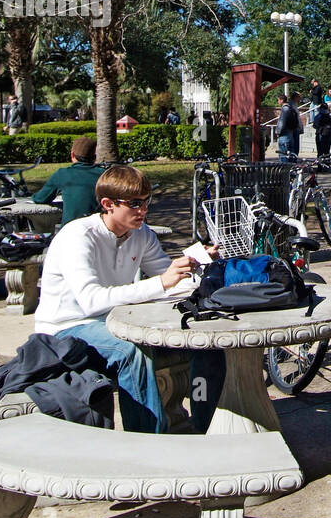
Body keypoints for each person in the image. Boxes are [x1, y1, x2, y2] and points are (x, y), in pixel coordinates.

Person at [33, 165, 225, 433]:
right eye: (134, 204)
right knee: (131, 350)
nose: (143, 210)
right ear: (107, 204)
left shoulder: (141, 234)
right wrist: (162, 282)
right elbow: (92, 301)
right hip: (66, 328)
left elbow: (169, 281)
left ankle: (207, 427)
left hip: (115, 321)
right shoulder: (78, 236)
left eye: (147, 201)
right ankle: (147, 441)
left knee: (206, 344)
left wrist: (195, 267)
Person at [33, 136, 108, 225]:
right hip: (99, 229)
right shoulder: (105, 175)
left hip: (70, 229)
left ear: (72, 155)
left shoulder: (62, 174)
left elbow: (40, 198)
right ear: (94, 157)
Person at [277, 94, 302, 158]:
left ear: (282, 100)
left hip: (285, 133)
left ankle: (286, 167)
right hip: (291, 132)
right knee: (291, 153)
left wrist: (278, 132)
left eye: (278, 100)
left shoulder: (285, 109)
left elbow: (282, 121)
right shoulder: (291, 107)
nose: (278, 102)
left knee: (283, 155)